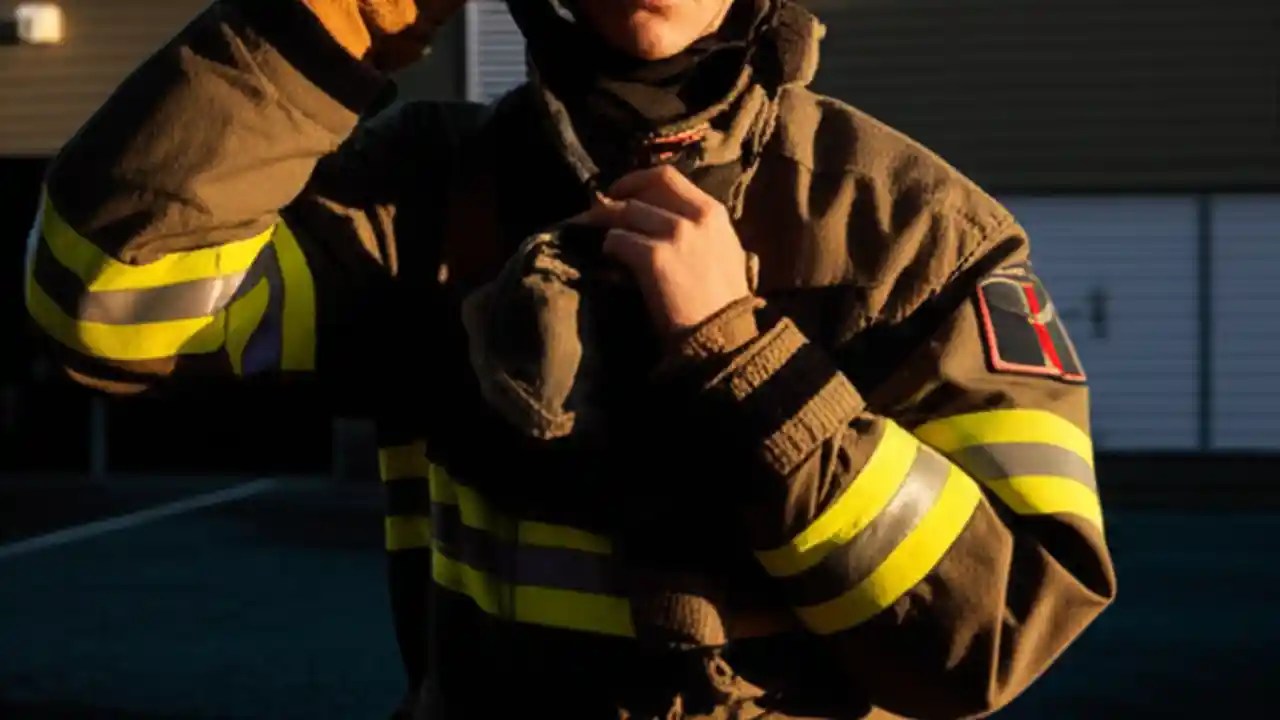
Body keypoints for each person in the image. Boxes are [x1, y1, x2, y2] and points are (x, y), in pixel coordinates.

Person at [20, 0, 1116, 717]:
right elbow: (107, 306)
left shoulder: (917, 232)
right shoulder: (420, 196)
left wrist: (739, 359)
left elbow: (994, 634)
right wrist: (330, 20)